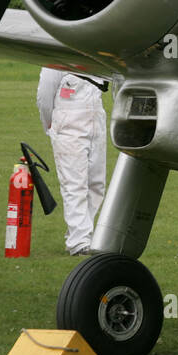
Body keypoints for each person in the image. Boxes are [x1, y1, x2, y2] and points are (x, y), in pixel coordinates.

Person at [37, 68, 108, 256]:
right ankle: (79, 241)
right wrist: (50, 125)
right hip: (68, 124)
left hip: (96, 120)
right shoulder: (55, 59)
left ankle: (84, 234)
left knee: (96, 184)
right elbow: (44, 97)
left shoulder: (95, 52)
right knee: (74, 184)